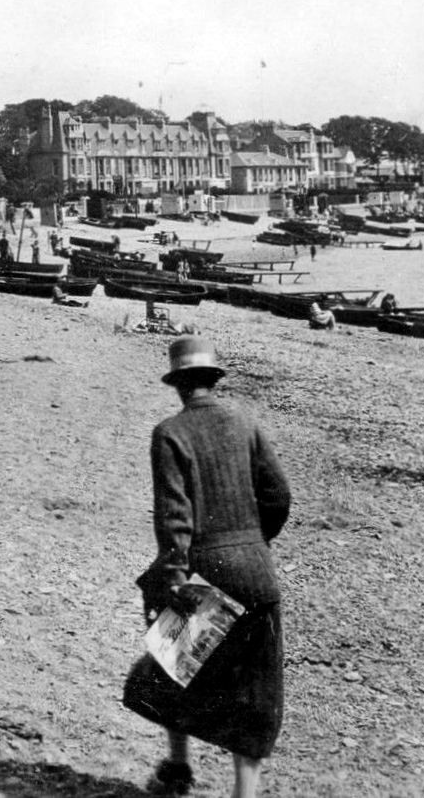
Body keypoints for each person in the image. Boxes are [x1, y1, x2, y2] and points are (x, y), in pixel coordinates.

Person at [124, 336, 291, 798]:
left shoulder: (171, 433)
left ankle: (178, 769)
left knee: (169, 667)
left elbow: (174, 516)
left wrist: (176, 576)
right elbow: (278, 496)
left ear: (178, 385)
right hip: (257, 574)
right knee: (257, 690)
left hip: (205, 575)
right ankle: (244, 792)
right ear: (214, 381)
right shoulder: (247, 423)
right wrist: (253, 544)